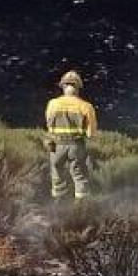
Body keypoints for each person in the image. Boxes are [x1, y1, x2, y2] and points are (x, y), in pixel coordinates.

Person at [45, 70, 98, 201]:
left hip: (56, 145)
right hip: (76, 145)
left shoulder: (52, 104)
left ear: (63, 86)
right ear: (78, 87)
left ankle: (58, 202)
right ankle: (80, 205)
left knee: (56, 173)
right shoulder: (86, 106)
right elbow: (91, 133)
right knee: (79, 175)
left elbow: (49, 125)